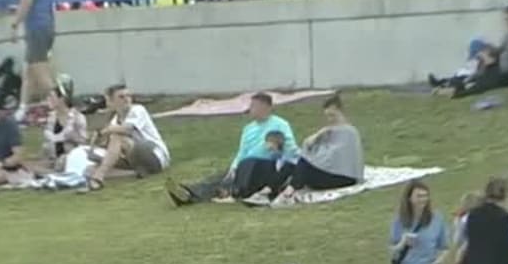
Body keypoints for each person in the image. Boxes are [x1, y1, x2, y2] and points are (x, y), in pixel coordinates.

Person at [166, 92, 296, 205]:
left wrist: (276, 151)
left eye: (254, 106)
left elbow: (290, 148)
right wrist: (234, 166)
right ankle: (189, 193)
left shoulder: (280, 124)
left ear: (267, 108)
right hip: (245, 165)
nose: (250, 109)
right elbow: (242, 151)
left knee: (239, 172)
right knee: (222, 177)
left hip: (264, 165)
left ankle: (219, 192)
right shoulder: (248, 129)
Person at [262, 93, 363, 204]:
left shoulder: (350, 132)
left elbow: (334, 156)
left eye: (333, 115)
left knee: (303, 163)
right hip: (326, 173)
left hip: (342, 177)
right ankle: (269, 191)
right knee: (290, 165)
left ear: (341, 112)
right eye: (328, 116)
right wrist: (318, 135)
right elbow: (308, 145)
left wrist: (313, 158)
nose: (330, 119)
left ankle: (288, 192)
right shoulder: (328, 131)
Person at [84, 84, 170, 190]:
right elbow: (109, 148)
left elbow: (127, 130)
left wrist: (104, 131)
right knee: (89, 170)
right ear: (111, 101)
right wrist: (95, 144)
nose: (127, 99)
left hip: (155, 155)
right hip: (135, 159)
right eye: (121, 97)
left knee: (117, 136)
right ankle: (133, 173)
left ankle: (99, 177)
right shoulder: (114, 121)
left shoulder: (138, 110)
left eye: (128, 96)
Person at [12, 0, 57, 120]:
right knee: (29, 70)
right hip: (47, 25)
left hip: (36, 27)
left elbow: (26, 3)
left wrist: (14, 24)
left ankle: (61, 106)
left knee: (40, 72)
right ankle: (22, 108)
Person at [389, 180, 449, 264]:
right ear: (409, 198)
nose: (423, 200)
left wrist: (438, 261)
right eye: (419, 196)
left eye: (425, 196)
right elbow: (392, 251)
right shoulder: (399, 221)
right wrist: (402, 242)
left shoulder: (436, 219)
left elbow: (444, 247)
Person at [41, 85, 89, 171]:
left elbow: (83, 140)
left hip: (72, 156)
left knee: (62, 161)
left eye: (52, 97)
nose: (48, 100)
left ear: (62, 99)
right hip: (54, 158)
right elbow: (49, 139)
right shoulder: (51, 117)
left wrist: (71, 136)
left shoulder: (77, 117)